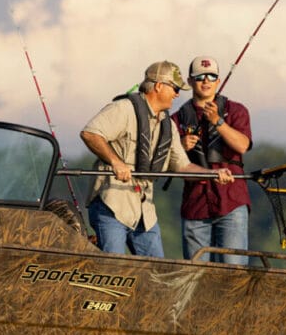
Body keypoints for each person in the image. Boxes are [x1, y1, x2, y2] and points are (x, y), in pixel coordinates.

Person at [80, 61, 235, 256]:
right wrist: (116, 162)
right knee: (113, 268)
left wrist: (213, 173)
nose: (178, 94)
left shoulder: (167, 125)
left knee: (158, 273)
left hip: (145, 212)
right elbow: (90, 133)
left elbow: (183, 166)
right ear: (159, 85)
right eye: (175, 88)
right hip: (112, 205)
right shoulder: (123, 108)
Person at [175, 56, 252, 263]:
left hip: (232, 202)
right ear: (190, 81)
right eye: (200, 76)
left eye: (212, 76)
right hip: (195, 205)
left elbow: (243, 145)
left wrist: (218, 122)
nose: (206, 81)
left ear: (218, 81)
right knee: (195, 274)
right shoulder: (176, 119)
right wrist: (181, 145)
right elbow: (168, 160)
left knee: (233, 271)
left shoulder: (236, 111)